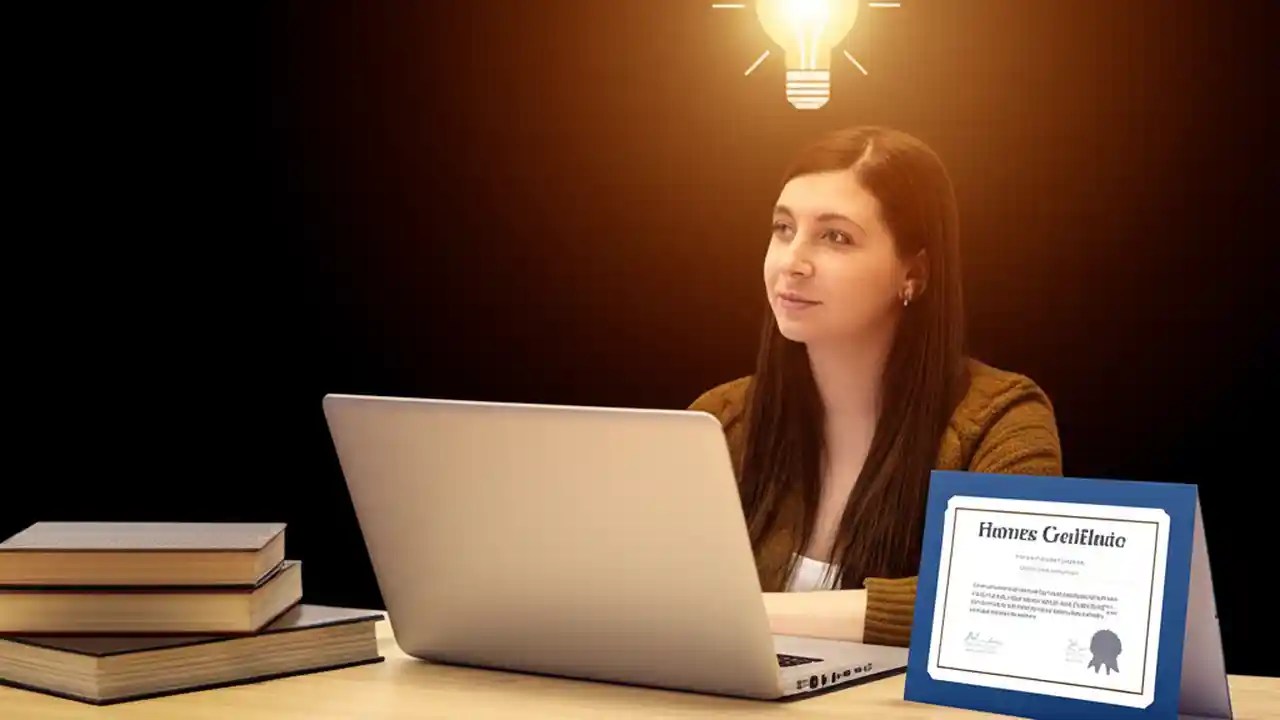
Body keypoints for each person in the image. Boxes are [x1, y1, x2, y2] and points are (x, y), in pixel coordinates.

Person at [688, 126, 1062, 648]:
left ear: (914, 273)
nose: (792, 262)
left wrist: (741, 613)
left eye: (835, 237)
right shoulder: (721, 419)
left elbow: (1008, 601)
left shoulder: (1000, 420)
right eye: (783, 228)